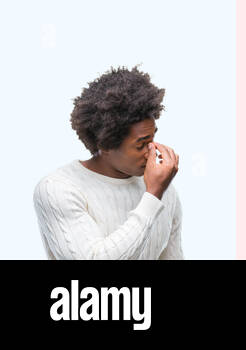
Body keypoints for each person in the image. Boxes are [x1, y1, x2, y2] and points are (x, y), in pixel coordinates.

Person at [34, 66, 183, 260]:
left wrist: (157, 192)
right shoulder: (57, 189)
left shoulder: (165, 190)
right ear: (105, 145)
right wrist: (152, 196)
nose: (153, 151)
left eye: (153, 138)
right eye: (141, 144)